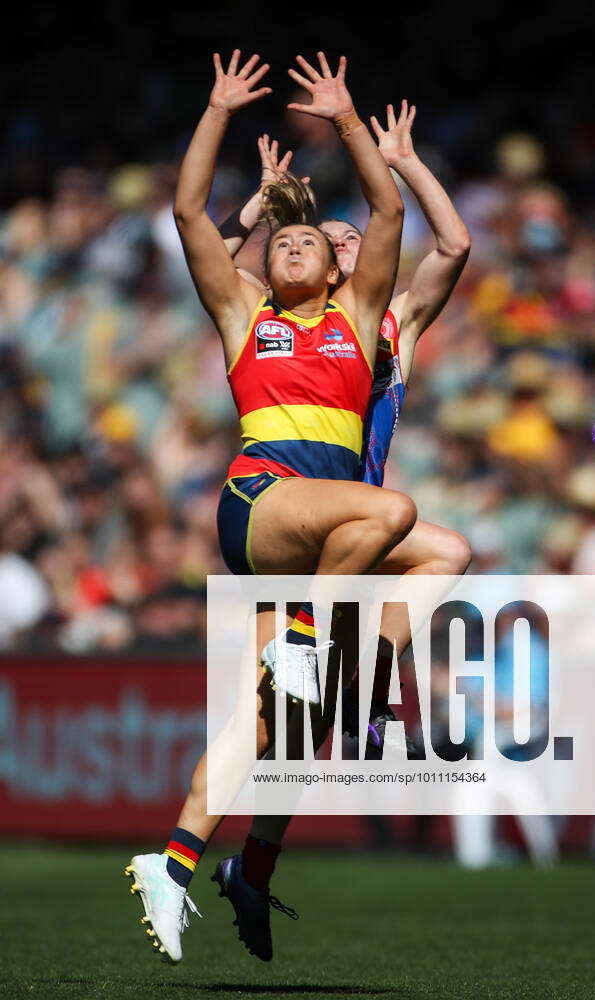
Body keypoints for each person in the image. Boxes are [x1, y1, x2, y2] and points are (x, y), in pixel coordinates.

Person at [125, 47, 413, 965]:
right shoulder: (246, 317)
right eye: (277, 241)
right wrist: (213, 110)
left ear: (334, 271)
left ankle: (178, 864)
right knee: (393, 513)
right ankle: (311, 641)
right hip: (262, 503)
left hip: (314, 538)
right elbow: (184, 214)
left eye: (306, 242)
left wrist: (346, 119)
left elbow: (390, 210)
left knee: (277, 728)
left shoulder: (358, 318)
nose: (291, 245)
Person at [208, 101, 472, 961]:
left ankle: (251, 862)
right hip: (308, 521)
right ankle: (238, 857)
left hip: (353, 525)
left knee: (442, 555)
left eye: (351, 238)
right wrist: (254, 208)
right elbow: (207, 254)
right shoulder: (302, 321)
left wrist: (401, 160)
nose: (344, 243)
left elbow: (455, 245)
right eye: (332, 238)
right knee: (285, 721)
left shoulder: (393, 321)